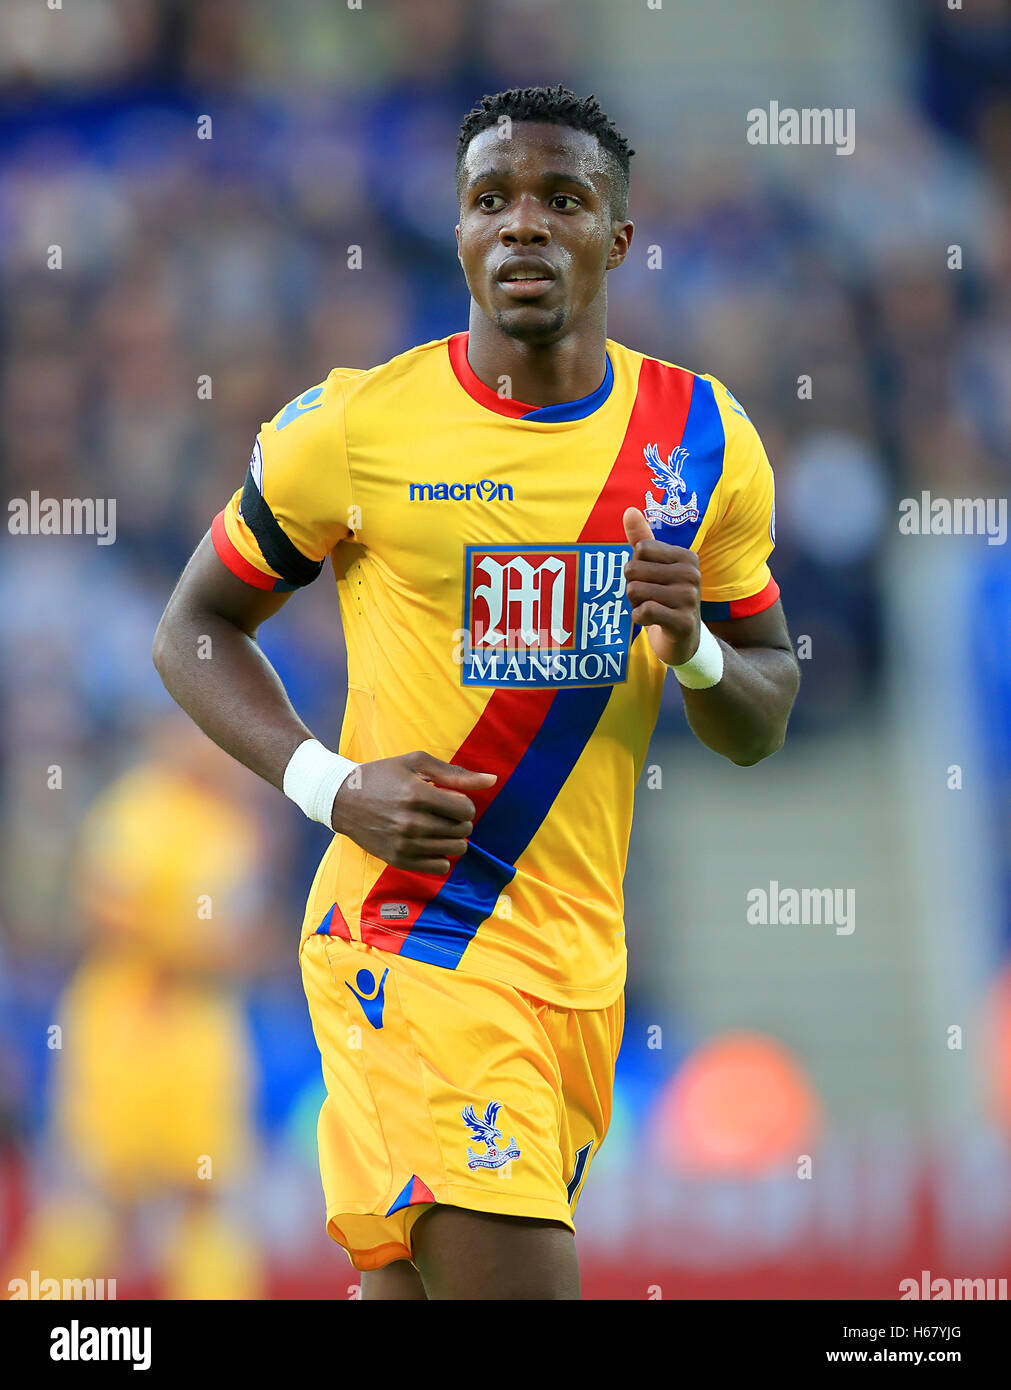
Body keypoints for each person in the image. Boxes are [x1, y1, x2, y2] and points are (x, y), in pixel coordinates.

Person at [153, 84, 800, 1300]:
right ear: (457, 230)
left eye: (562, 200)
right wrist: (329, 785)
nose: (523, 226)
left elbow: (763, 715)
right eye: (490, 200)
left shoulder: (705, 437)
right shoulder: (354, 428)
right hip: (413, 940)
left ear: (617, 234)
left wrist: (698, 648)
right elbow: (192, 629)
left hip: (579, 968)